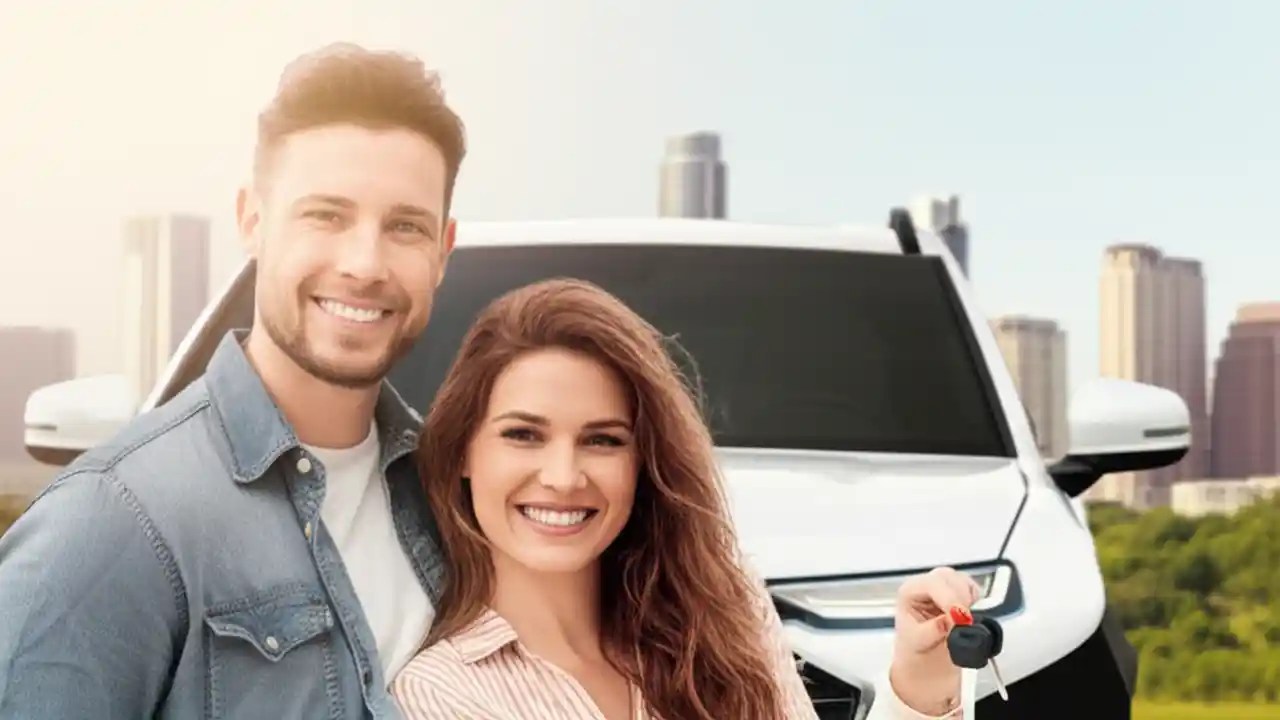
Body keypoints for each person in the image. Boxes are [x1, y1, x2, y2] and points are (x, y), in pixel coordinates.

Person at [0, 44, 466, 718]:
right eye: (326, 216)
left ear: (443, 250)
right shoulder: (113, 521)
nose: (365, 264)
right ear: (253, 220)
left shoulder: (455, 501)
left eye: (404, 226)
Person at [390, 278, 981, 720]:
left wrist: (922, 679)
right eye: (524, 435)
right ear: (464, 453)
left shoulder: (726, 612)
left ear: (642, 462)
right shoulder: (439, 693)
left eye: (603, 440)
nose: (564, 476)